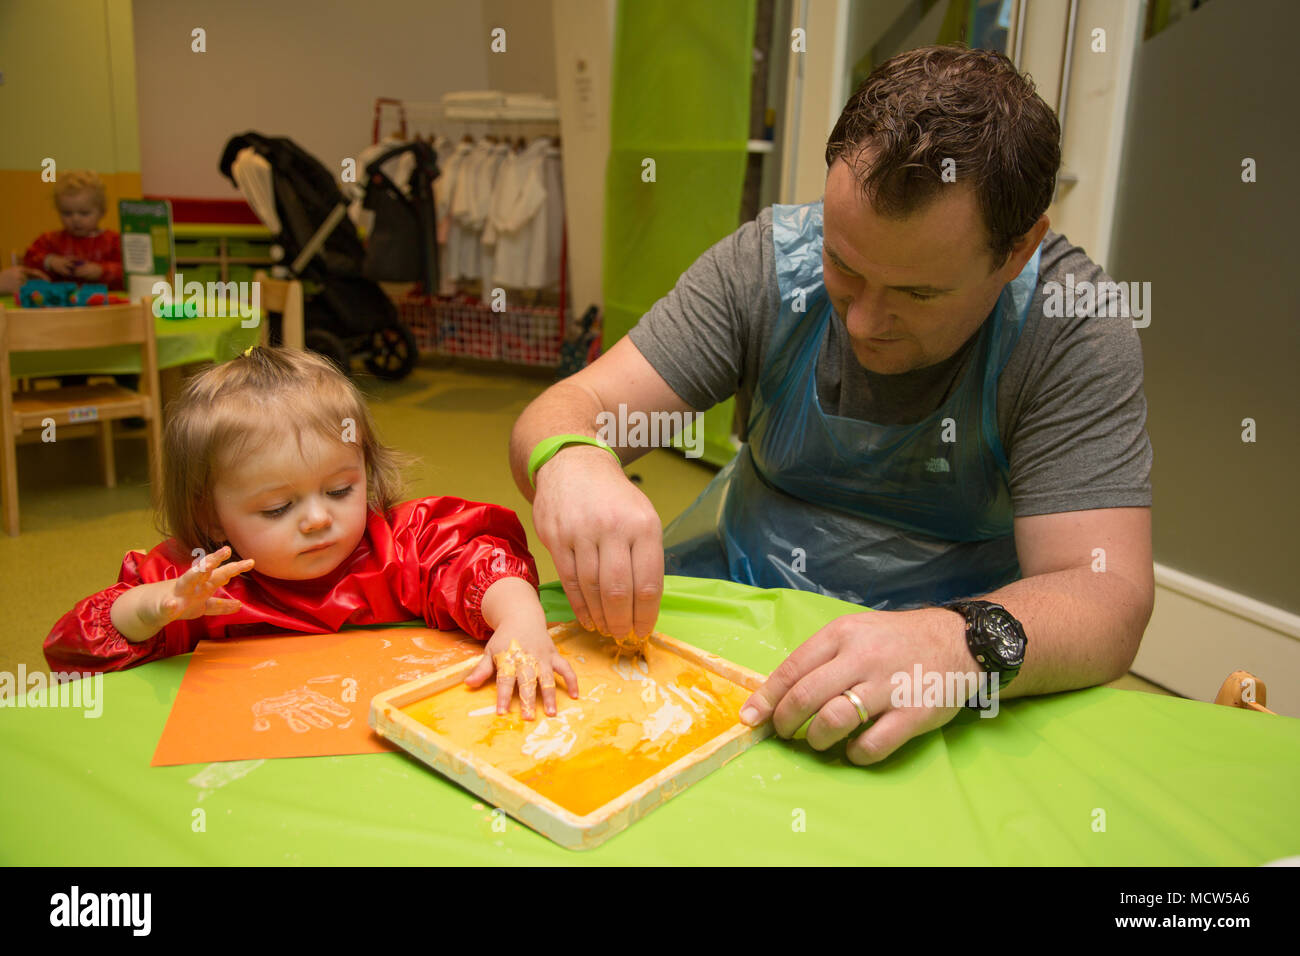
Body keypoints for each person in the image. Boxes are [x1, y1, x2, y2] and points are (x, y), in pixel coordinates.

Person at [510, 46, 1154, 763]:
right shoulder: (767, 265)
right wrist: (571, 458)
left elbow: (1106, 595)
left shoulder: (1070, 324)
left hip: (947, 678)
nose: (861, 323)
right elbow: (572, 406)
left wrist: (951, 642)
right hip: (745, 608)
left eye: (918, 293)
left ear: (1017, 251)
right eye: (843, 264)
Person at [45, 346, 577, 719]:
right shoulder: (203, 587)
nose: (319, 518)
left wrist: (520, 618)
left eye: (341, 490)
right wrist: (156, 605)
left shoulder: (402, 544)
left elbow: (476, 560)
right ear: (209, 517)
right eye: (278, 507)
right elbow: (78, 651)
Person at [23, 170, 125, 291]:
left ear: (102, 211)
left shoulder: (113, 241)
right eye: (67, 213)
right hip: (59, 306)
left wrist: (102, 271)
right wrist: (50, 261)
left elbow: (128, 272)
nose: (75, 219)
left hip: (104, 304)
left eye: (84, 213)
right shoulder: (50, 240)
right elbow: (29, 259)